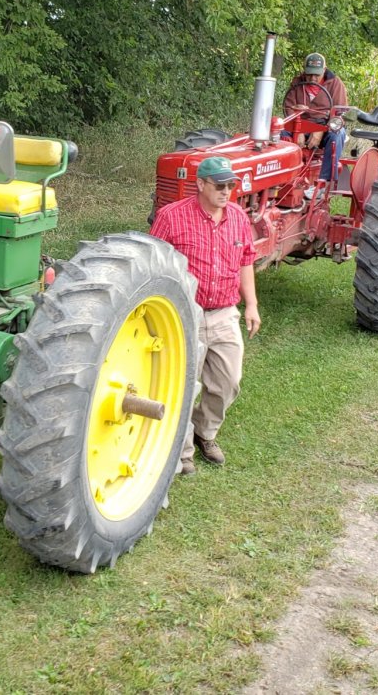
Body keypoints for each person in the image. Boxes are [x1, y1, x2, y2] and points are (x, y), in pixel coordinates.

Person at [149, 155, 261, 475]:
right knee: (184, 384)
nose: (227, 192)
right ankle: (182, 451)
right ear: (200, 184)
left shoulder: (238, 217)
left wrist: (250, 304)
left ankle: (205, 432)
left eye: (231, 186)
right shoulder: (171, 217)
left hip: (225, 311)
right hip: (187, 313)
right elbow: (153, 262)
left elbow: (246, 261)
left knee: (228, 381)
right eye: (220, 185)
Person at [283, 52, 349, 181]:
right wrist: (298, 129)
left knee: (337, 134)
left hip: (325, 127)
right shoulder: (297, 82)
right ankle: (284, 177)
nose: (312, 78)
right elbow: (288, 107)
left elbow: (340, 113)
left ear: (324, 70)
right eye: (309, 74)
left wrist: (321, 129)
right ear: (304, 70)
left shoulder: (335, 83)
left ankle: (324, 181)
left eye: (316, 75)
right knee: (277, 134)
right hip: (299, 125)